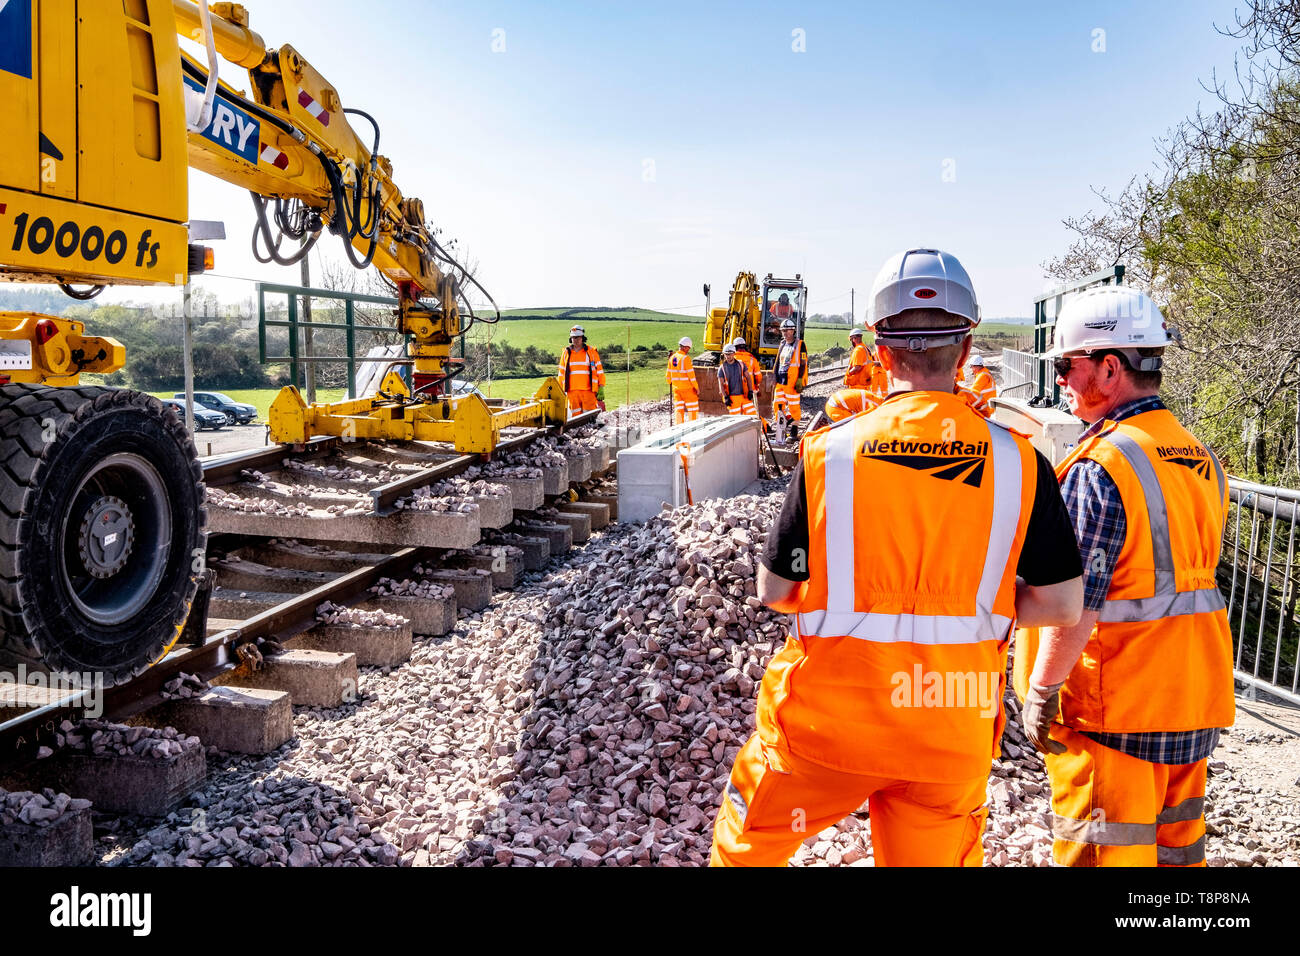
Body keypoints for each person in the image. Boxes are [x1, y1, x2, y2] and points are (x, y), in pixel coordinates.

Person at [711, 247, 1084, 867]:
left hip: (826, 730)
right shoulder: (1023, 465)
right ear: (965, 352)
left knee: (746, 848)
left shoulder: (829, 454)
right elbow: (1062, 603)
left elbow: (775, 591)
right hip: (947, 734)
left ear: (880, 353)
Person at [1014, 285, 1235, 867]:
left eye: (1068, 365)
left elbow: (1077, 602)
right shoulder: (1196, 455)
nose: (1061, 379)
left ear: (1110, 368)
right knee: (1176, 859)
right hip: (1190, 698)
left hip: (1118, 709)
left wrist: (1041, 689)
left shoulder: (1103, 465)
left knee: (1106, 856)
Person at [557, 325, 606, 415]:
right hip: (572, 392)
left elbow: (599, 370)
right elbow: (561, 373)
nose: (575, 339)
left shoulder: (591, 352)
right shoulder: (566, 353)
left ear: (582, 338)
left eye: (577, 337)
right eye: (573, 337)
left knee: (590, 417)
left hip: (589, 391)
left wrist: (601, 386)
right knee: (576, 418)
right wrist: (559, 391)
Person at [772, 318, 807, 433]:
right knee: (778, 404)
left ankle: (794, 428)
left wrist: (800, 379)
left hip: (793, 380)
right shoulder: (782, 344)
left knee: (793, 405)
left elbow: (803, 363)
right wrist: (774, 376)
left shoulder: (800, 345)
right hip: (781, 381)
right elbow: (778, 361)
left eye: (787, 330)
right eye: (783, 331)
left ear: (793, 331)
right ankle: (781, 426)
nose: (785, 333)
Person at [717, 343, 757, 417]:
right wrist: (725, 397)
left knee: (753, 416)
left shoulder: (741, 364)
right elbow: (721, 384)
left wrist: (750, 390)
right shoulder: (722, 368)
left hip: (744, 396)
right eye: (726, 354)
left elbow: (748, 377)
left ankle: (763, 427)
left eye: (730, 354)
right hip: (732, 398)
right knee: (735, 420)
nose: (728, 356)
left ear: (734, 353)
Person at [666, 336, 699, 424]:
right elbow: (691, 376)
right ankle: (693, 427)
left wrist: (672, 383)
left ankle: (679, 428)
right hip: (688, 390)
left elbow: (668, 377)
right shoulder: (685, 358)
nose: (688, 350)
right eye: (688, 348)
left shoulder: (672, 358)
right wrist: (696, 388)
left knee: (679, 410)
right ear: (685, 347)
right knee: (693, 409)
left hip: (677, 390)